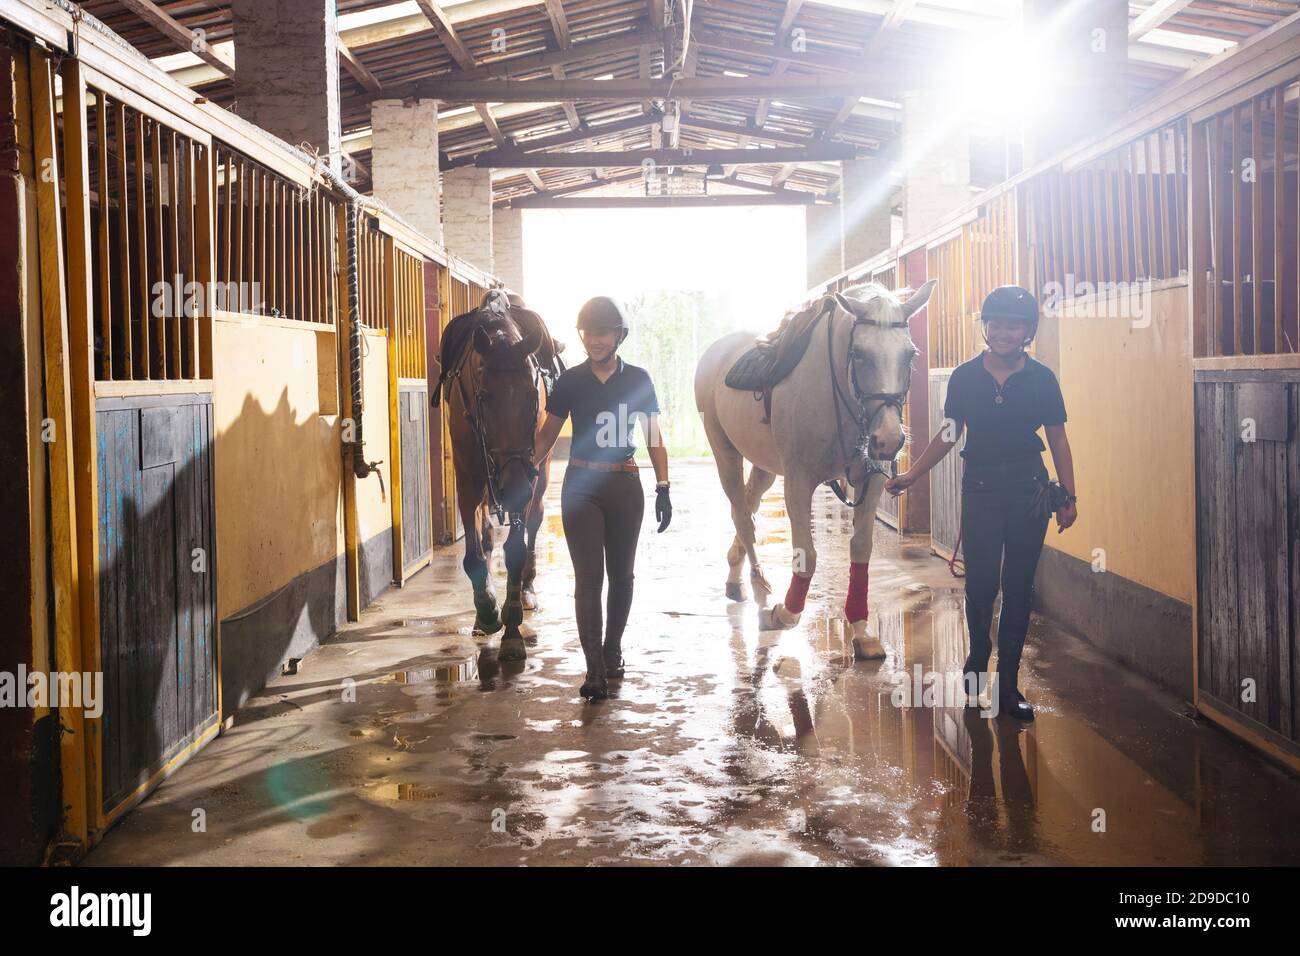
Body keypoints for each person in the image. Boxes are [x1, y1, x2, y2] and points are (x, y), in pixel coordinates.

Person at [885, 286, 1077, 720]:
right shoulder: (966, 377)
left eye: (1013, 324)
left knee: (1019, 588)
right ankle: (977, 659)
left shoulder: (1042, 378)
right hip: (982, 491)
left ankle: (1008, 686)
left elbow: (1058, 438)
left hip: (1030, 492)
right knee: (981, 585)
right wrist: (914, 474)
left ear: (1027, 331)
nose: (1003, 332)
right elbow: (951, 433)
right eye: (995, 323)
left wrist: (1068, 495)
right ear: (985, 327)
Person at [534, 297, 672, 700]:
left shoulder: (639, 379)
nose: (595, 340)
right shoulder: (571, 381)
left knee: (623, 575)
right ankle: (594, 667)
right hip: (581, 485)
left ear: (619, 336)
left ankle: (613, 649)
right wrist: (525, 472)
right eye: (589, 334)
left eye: (603, 333)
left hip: (624, 485)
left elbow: (654, 437)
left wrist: (664, 486)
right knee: (588, 578)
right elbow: (546, 436)